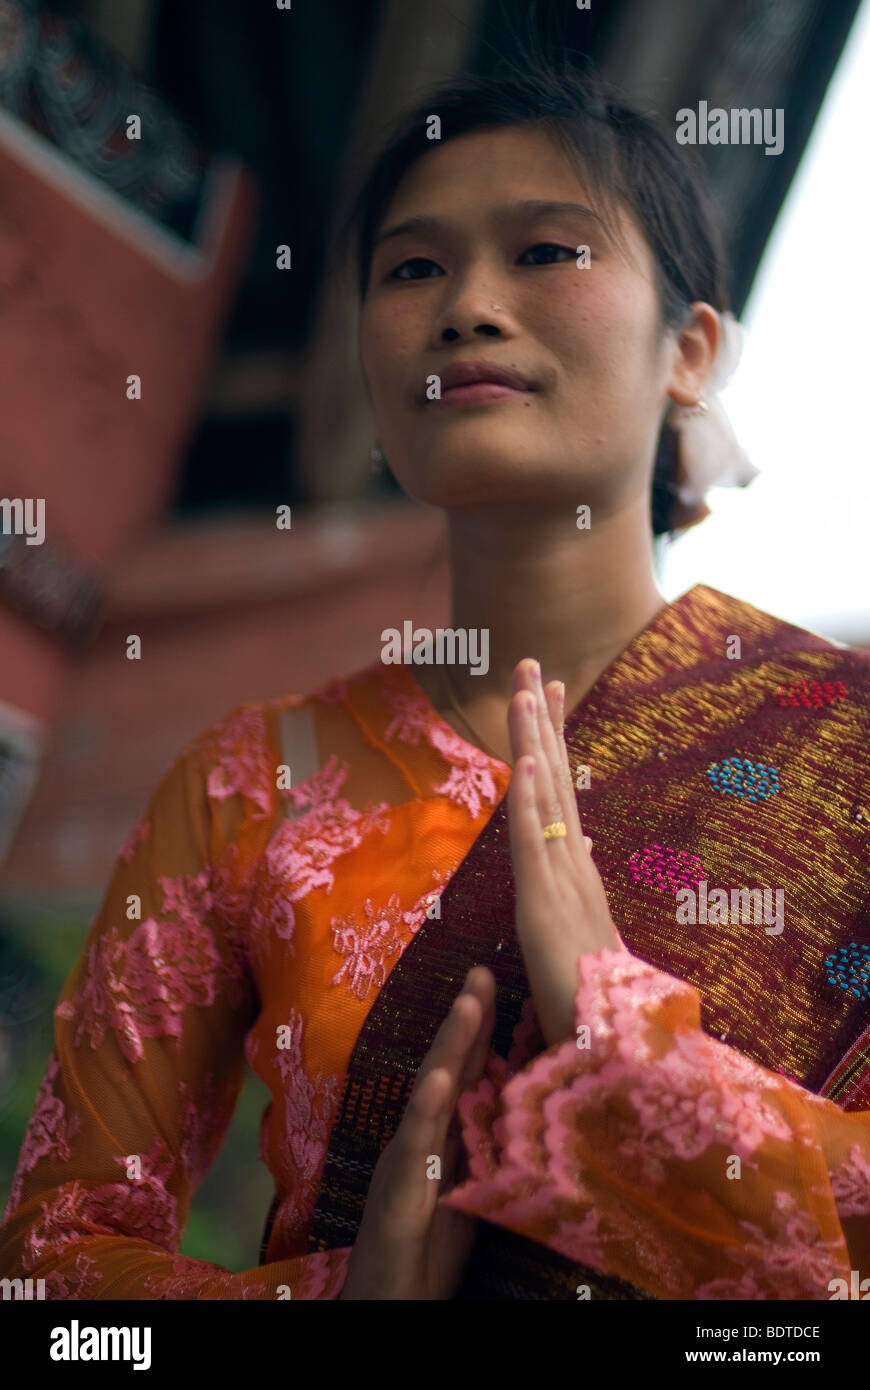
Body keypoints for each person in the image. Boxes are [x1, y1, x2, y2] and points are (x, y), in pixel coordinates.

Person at [2, 55, 869, 1301]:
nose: (466, 303)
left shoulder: (845, 744)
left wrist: (623, 1036)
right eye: (412, 267)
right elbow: (48, 1279)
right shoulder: (254, 784)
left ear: (690, 349)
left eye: (546, 252)